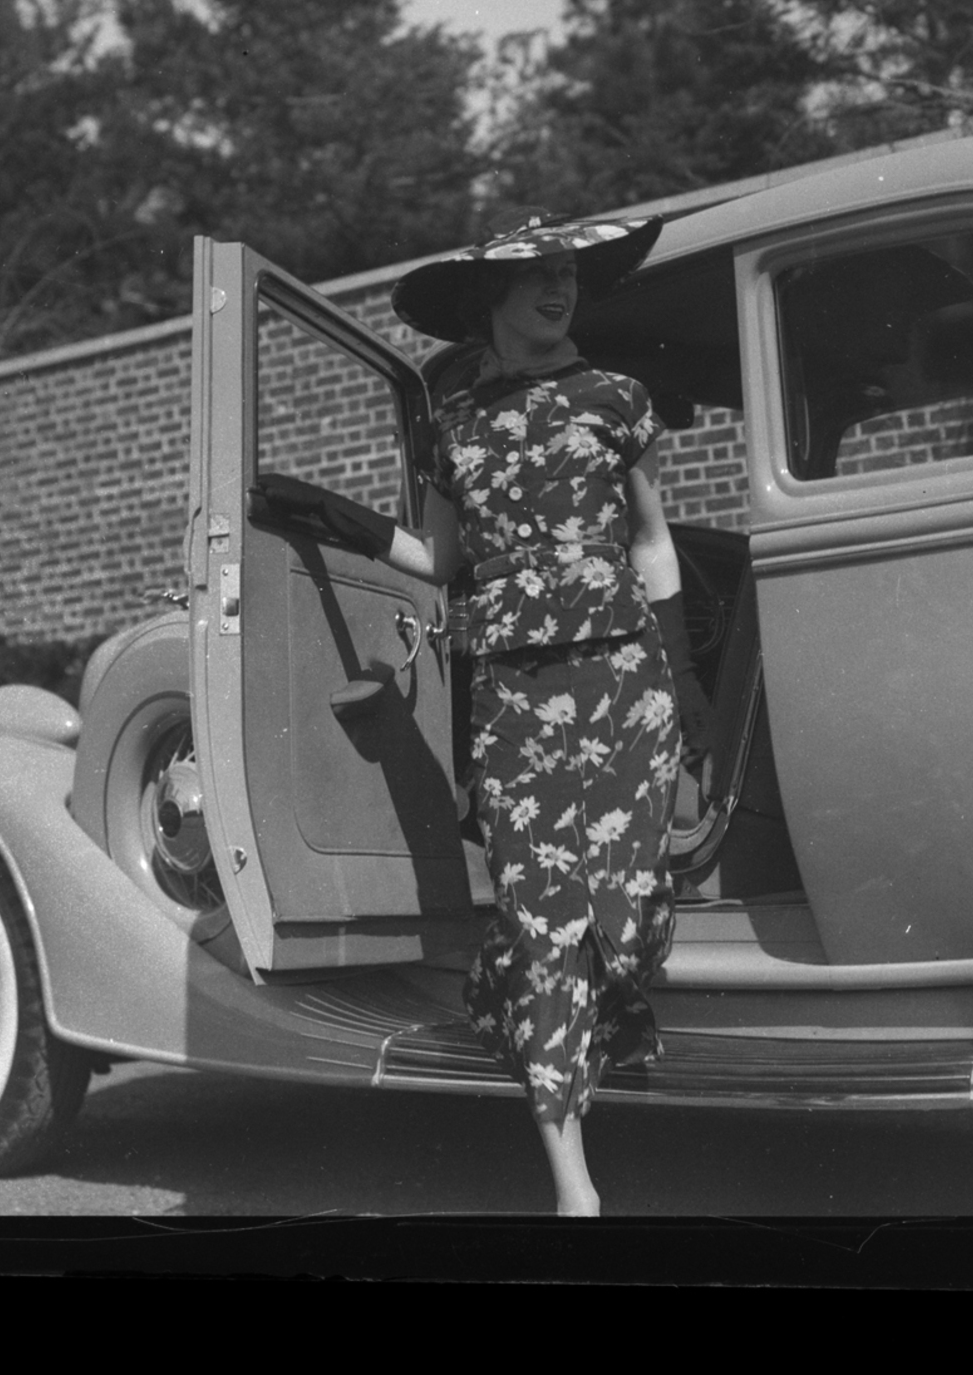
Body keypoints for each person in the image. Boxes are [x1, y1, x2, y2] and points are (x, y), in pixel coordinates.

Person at [260, 210, 710, 1216]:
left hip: (621, 679)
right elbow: (441, 561)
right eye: (536, 277)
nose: (558, 289)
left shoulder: (614, 399)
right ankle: (574, 1188)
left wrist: (680, 677)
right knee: (543, 923)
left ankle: (566, 1015)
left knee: (622, 919)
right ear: (489, 301)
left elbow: (651, 540)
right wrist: (347, 521)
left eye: (567, 275)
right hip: (512, 692)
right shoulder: (454, 429)